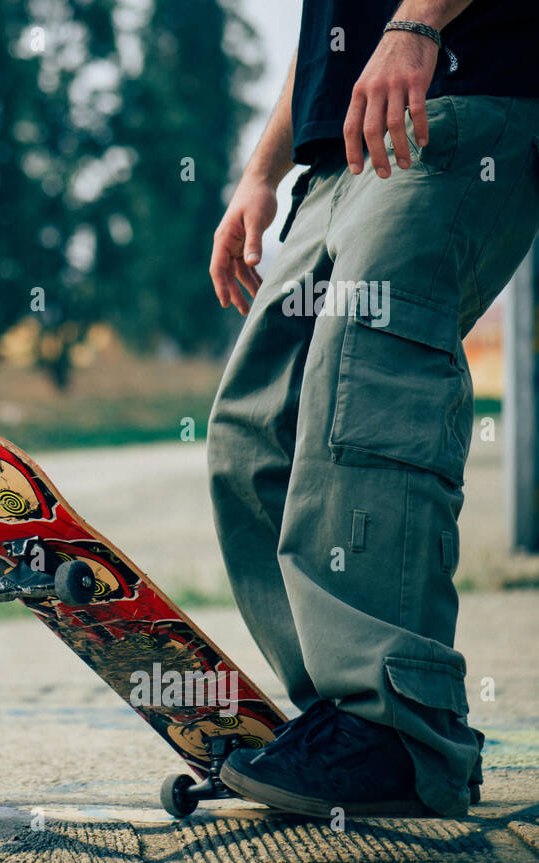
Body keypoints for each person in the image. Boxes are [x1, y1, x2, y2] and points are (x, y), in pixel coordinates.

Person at [206, 0, 539, 818]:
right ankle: (343, 717)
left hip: (450, 104)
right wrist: (263, 170)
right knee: (255, 432)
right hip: (338, 156)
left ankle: (401, 730)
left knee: (369, 395)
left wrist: (419, 23)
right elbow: (332, 27)